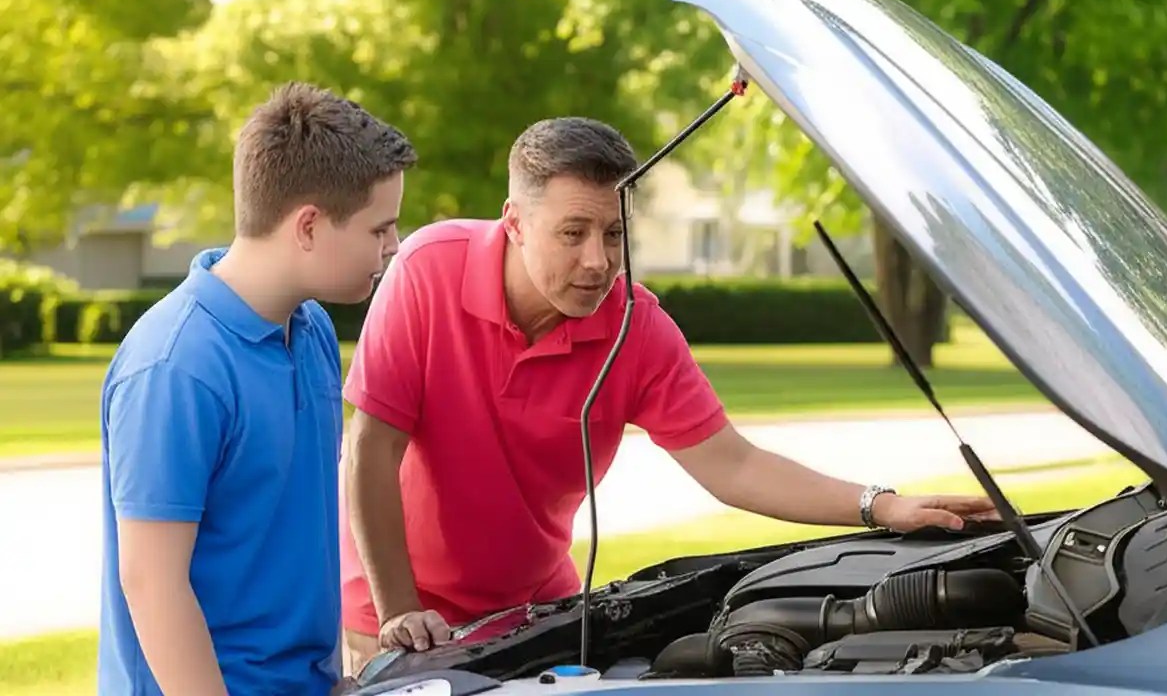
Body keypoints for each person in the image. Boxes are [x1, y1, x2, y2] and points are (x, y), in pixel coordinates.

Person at [338, 116, 996, 673]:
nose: (599, 260)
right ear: (514, 221)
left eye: (615, 233)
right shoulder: (426, 271)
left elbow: (733, 465)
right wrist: (398, 610)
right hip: (399, 610)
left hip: (533, 609)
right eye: (573, 233)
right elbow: (370, 452)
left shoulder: (636, 326)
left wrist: (880, 505)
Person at [97, 81, 416, 696]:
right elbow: (151, 582)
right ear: (308, 227)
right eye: (380, 229)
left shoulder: (313, 329)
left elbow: (299, 533)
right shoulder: (175, 366)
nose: (393, 246)